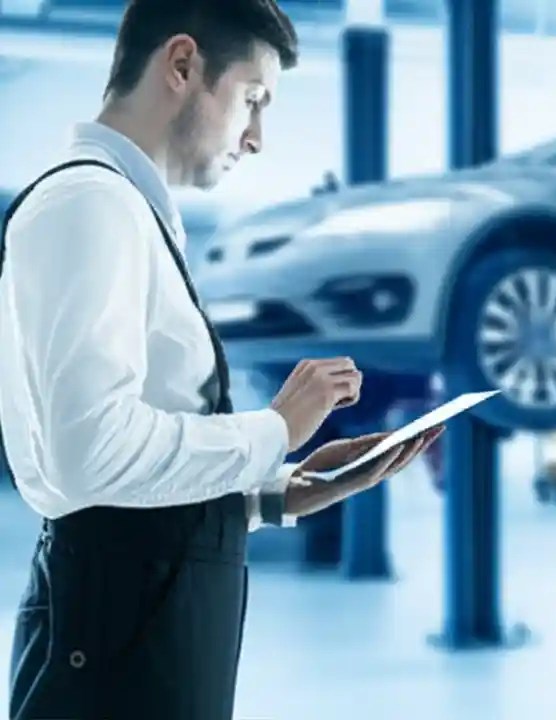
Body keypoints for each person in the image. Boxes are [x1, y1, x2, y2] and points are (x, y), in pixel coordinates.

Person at [0, 1, 440, 718]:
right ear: (182, 65)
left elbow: (129, 477)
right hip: (116, 643)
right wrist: (274, 429)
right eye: (252, 100)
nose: (257, 138)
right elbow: (87, 453)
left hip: (145, 628)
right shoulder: (90, 204)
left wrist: (274, 492)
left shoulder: (128, 212)